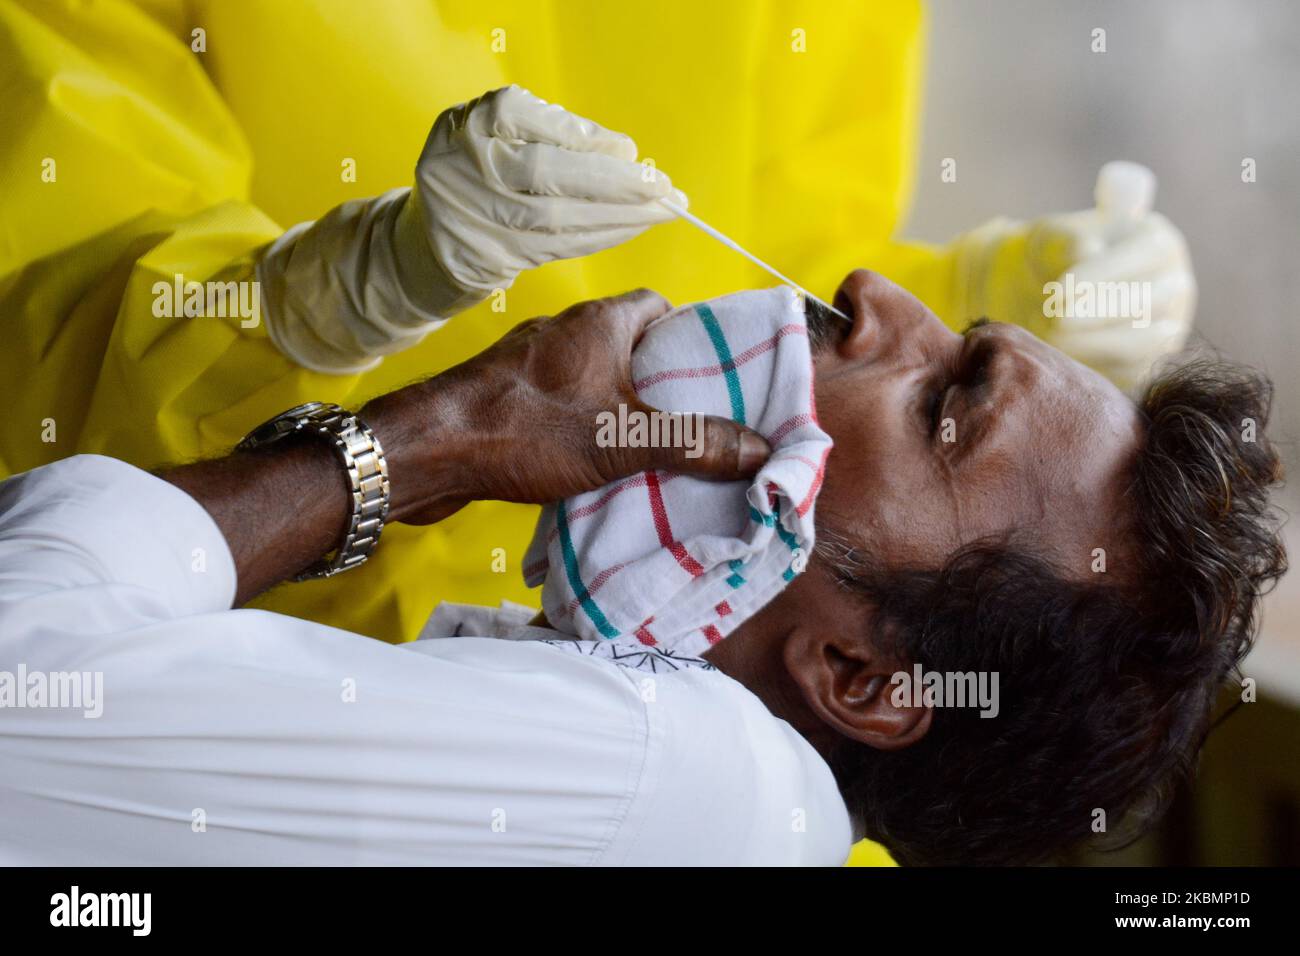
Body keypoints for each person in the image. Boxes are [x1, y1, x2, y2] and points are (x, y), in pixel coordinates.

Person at [0, 268, 1284, 866]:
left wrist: (430, 439)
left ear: (857, 673)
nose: (874, 287)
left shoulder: (685, 779)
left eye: (944, 399)